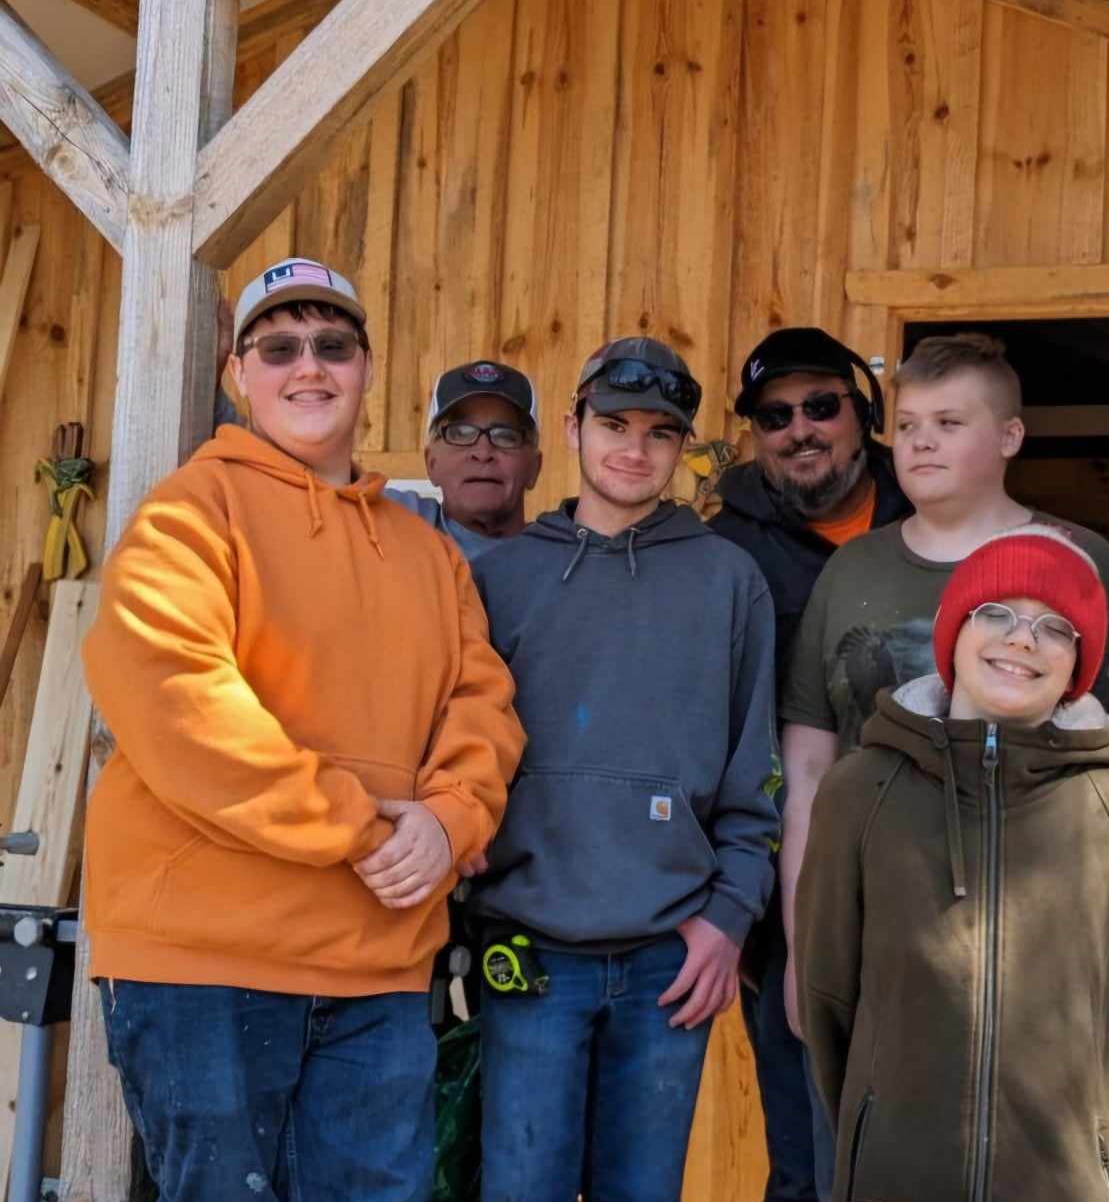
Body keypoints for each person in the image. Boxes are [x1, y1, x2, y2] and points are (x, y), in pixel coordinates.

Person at [82, 257, 524, 1202]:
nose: (308, 367)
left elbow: (481, 708)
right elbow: (181, 705)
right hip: (206, 968)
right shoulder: (187, 518)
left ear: (367, 368)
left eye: (333, 345)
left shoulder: (428, 554)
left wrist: (450, 821)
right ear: (240, 375)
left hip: (380, 972)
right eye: (279, 347)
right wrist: (368, 831)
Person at [467, 336, 781, 1202]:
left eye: (659, 433)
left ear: (685, 448)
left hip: (668, 958)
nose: (634, 449)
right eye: (613, 423)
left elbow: (758, 773)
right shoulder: (501, 578)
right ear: (572, 427)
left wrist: (729, 918)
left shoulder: (729, 580)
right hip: (528, 947)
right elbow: (458, 758)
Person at [795, 525, 1109, 1202]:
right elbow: (828, 996)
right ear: (953, 631)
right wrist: (872, 1133)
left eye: (1054, 627)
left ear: (1079, 664)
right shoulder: (860, 792)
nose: (1021, 640)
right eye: (997, 614)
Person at [709, 327, 912, 1202]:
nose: (801, 429)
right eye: (775, 415)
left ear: (863, 413)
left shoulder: (941, 512)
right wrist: (745, 915)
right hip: (790, 910)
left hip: (932, 901)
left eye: (822, 406)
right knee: (804, 1165)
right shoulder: (723, 554)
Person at [385, 358, 543, 560]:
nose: (483, 452)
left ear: (535, 468)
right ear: (431, 462)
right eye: (460, 433)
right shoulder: (392, 521)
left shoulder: (561, 563)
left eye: (505, 436)